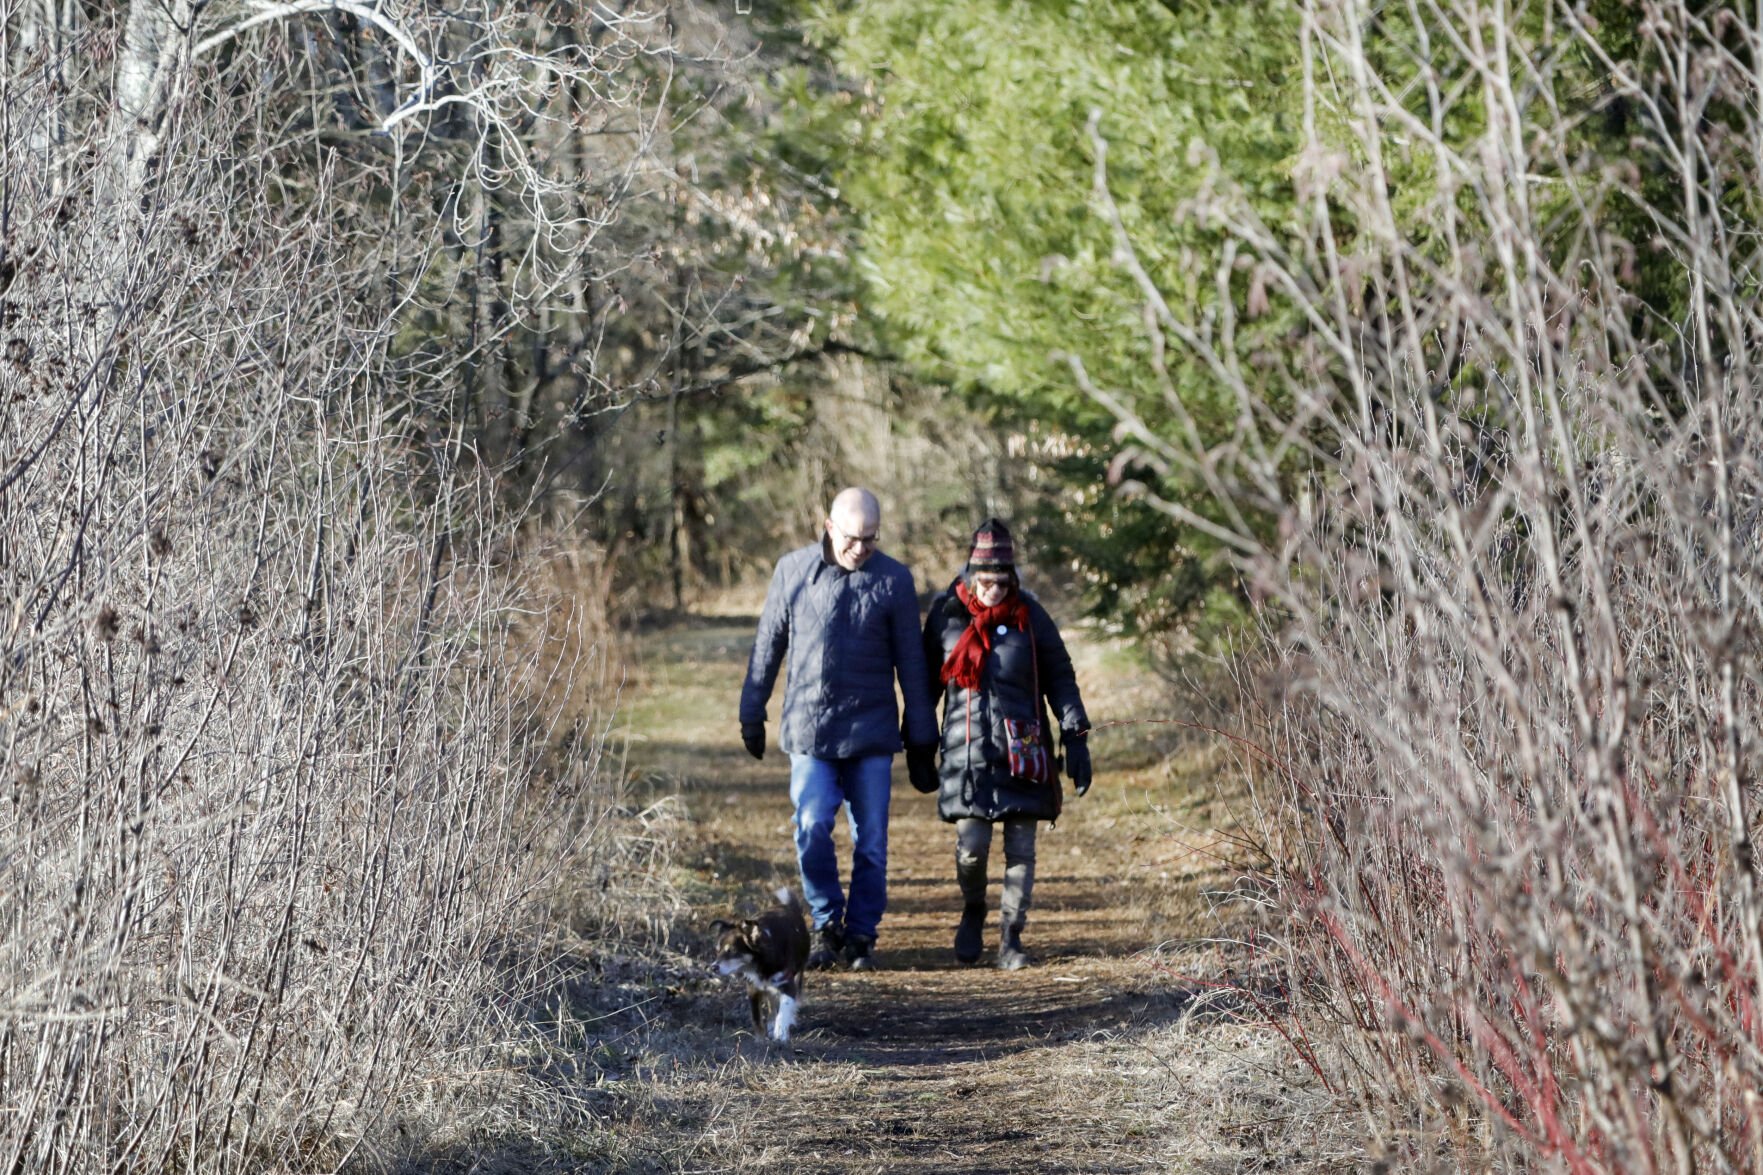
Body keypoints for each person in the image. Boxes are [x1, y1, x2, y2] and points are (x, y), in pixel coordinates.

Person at [739, 487, 940, 971]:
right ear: (829, 528)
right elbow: (769, 643)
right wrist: (752, 708)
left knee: (870, 839)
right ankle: (828, 923)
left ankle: (862, 934)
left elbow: (912, 665)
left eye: (871, 540)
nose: (861, 549)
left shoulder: (893, 580)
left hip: (870, 733)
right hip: (811, 732)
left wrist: (921, 738)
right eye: (853, 539)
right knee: (810, 827)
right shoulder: (793, 571)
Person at [918, 518, 1091, 970]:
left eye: (1002, 581)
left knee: (1021, 850)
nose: (993, 590)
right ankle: (973, 909)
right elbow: (923, 687)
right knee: (971, 847)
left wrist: (1076, 735)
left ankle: (1011, 937)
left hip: (1024, 754)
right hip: (966, 755)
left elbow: (1060, 677)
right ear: (970, 575)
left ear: (1013, 578)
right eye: (984, 581)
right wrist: (917, 739)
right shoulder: (947, 616)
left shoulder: (1031, 617)